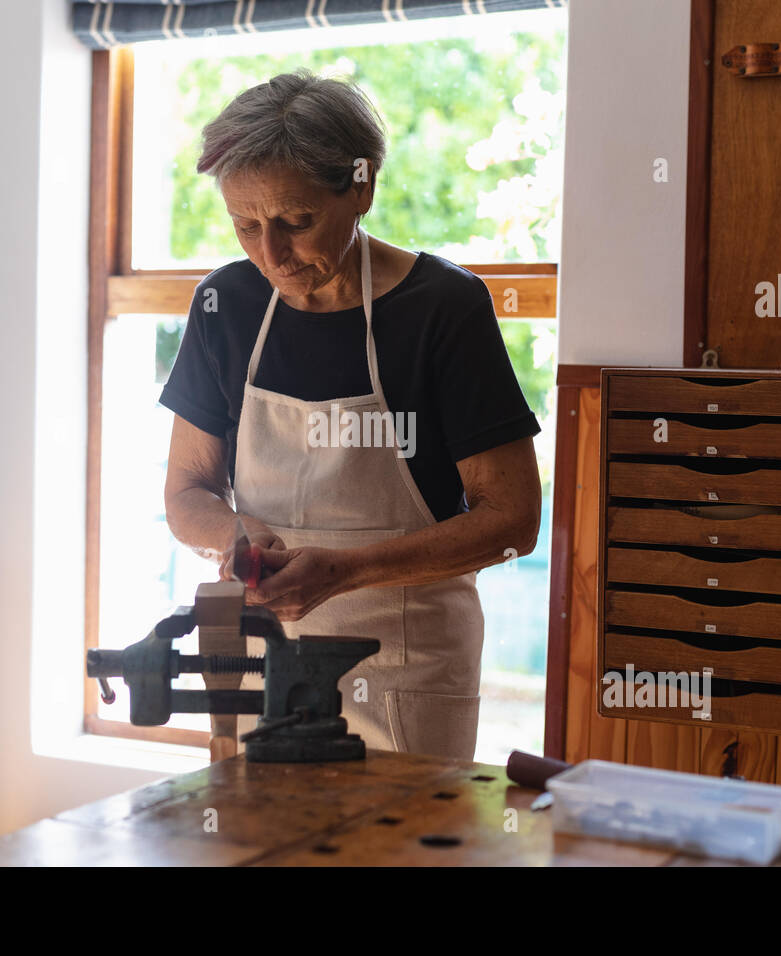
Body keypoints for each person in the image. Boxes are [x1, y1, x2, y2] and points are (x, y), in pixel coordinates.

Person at [160, 69, 541, 759]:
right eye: (245, 225)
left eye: (295, 222)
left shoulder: (444, 309)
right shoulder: (225, 306)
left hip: (405, 662)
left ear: (360, 188)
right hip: (258, 661)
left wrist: (346, 571)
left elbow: (512, 520)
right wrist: (237, 533)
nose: (270, 254)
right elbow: (186, 490)